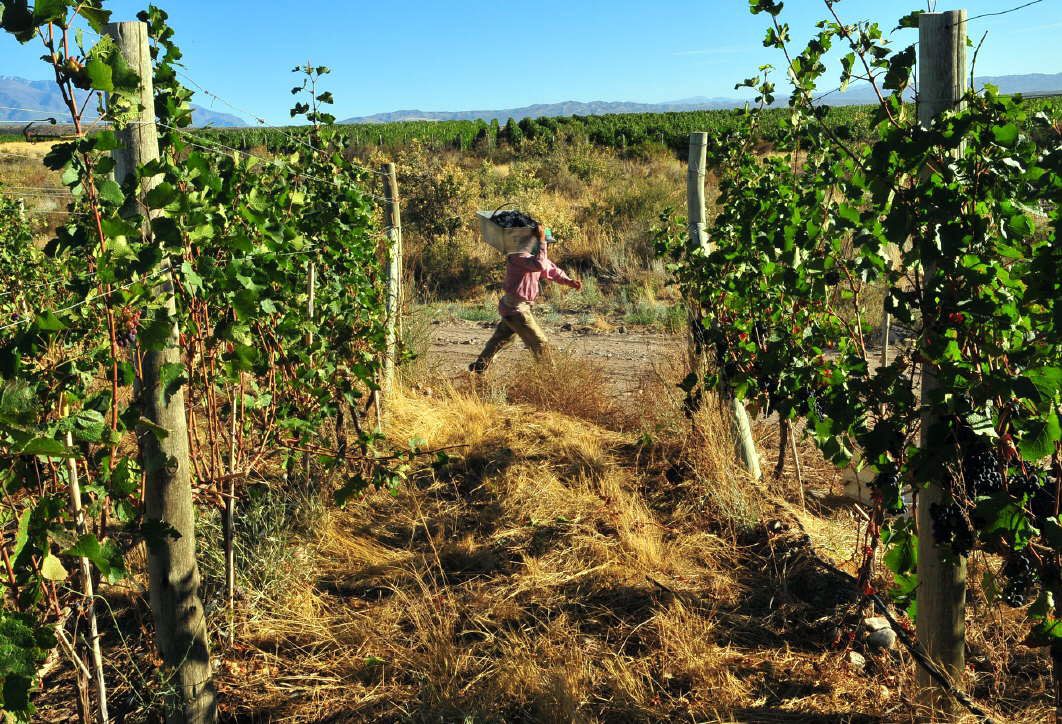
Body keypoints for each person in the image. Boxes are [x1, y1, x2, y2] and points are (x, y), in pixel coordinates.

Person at [469, 222, 581, 373]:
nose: (546, 246)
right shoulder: (518, 257)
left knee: (500, 339)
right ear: (533, 242)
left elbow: (552, 270)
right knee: (540, 343)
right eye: (545, 243)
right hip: (517, 310)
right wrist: (541, 240)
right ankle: (551, 376)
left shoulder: (531, 259)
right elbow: (541, 264)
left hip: (514, 308)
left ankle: (480, 367)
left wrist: (568, 281)